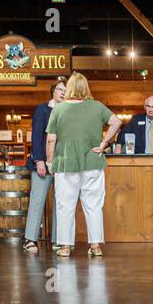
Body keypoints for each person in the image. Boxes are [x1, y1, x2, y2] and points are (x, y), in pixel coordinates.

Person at [45, 72, 122, 258]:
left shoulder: (59, 109)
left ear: (69, 88)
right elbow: (116, 122)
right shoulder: (97, 107)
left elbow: (51, 139)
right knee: (94, 205)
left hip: (65, 162)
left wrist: (49, 162)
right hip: (93, 162)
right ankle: (95, 245)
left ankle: (64, 246)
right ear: (86, 88)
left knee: (65, 205)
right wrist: (104, 143)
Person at [23, 78, 65, 254]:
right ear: (53, 92)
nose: (63, 92)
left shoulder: (68, 111)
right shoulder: (43, 109)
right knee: (38, 200)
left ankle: (58, 240)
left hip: (62, 164)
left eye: (65, 89)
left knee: (60, 202)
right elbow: (37, 136)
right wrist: (39, 160)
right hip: (43, 163)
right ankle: (30, 239)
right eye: (60, 89)